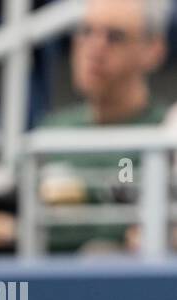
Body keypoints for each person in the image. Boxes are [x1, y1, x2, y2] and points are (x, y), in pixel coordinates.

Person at [36, 0, 170, 254]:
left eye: (115, 37)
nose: (95, 48)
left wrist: (18, 231)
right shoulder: (51, 131)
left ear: (153, 49)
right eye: (86, 31)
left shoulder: (167, 134)